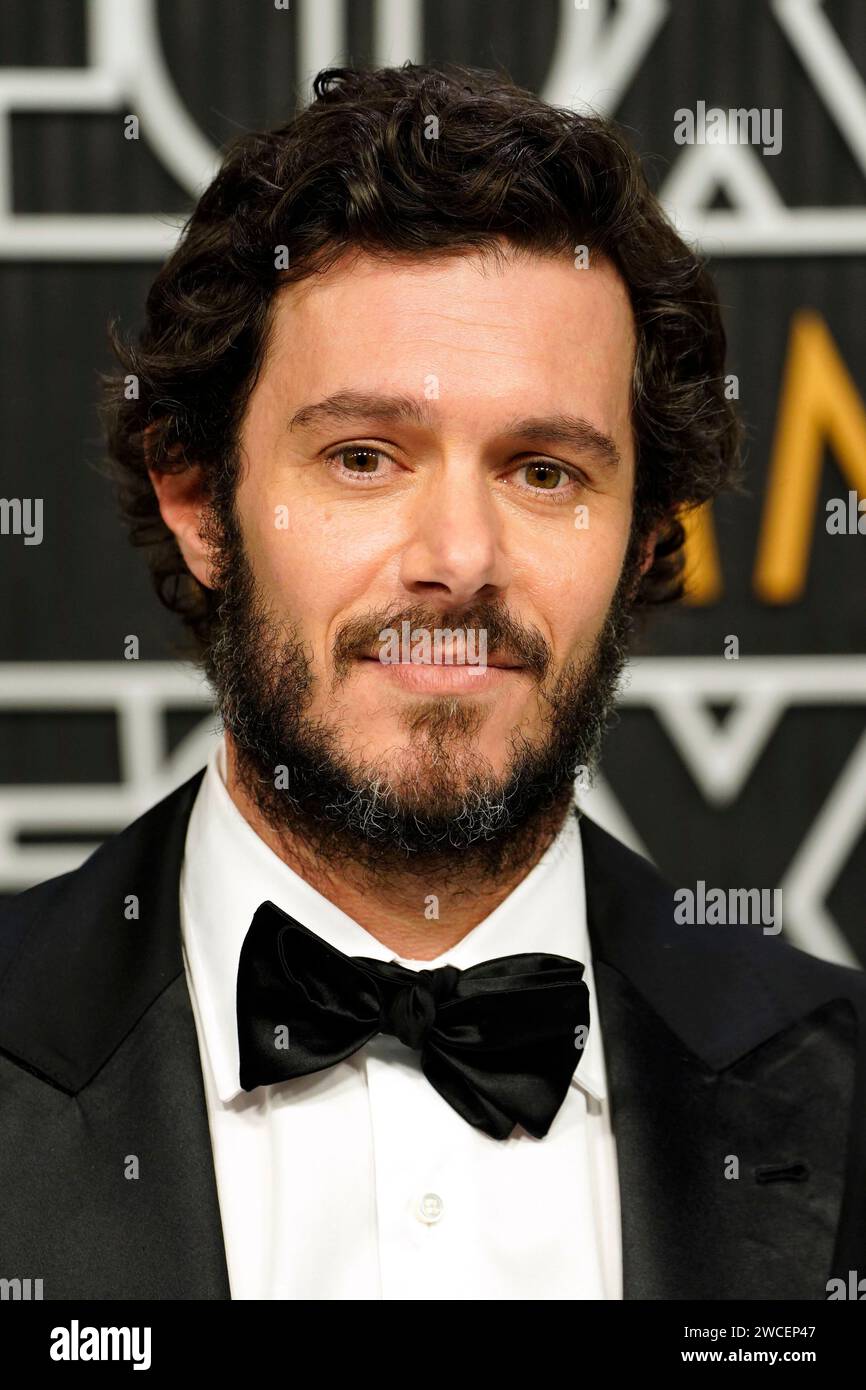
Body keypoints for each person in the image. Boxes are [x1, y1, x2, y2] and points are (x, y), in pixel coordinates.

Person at [1, 63, 863, 1302]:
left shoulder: (839, 1090)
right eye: (363, 457)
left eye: (545, 471)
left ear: (643, 539)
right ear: (198, 499)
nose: (458, 560)